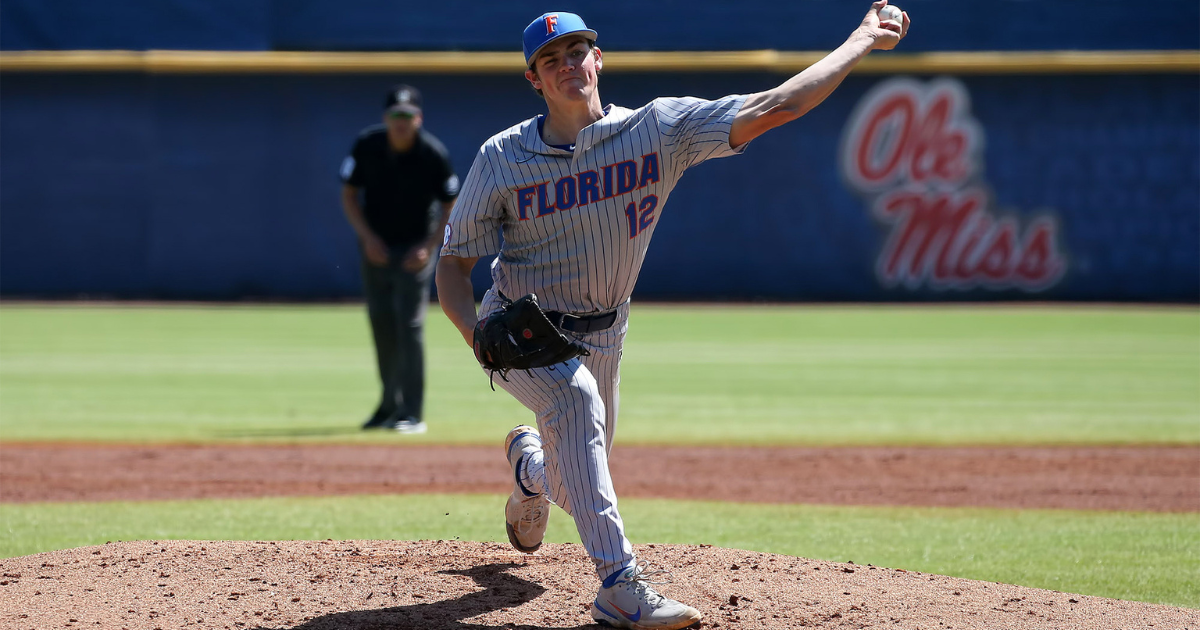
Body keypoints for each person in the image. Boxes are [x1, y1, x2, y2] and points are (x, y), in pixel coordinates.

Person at [436, 5, 909, 628]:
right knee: (574, 404)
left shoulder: (656, 131)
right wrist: (477, 337)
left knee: (580, 478)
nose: (566, 64)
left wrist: (859, 40)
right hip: (521, 331)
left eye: (575, 51)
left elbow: (777, 105)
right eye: (549, 60)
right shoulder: (502, 157)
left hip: (604, 332)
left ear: (597, 59)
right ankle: (619, 585)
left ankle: (530, 466)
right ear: (534, 79)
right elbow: (453, 263)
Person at [340, 84, 459, 434]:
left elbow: (451, 204)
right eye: (396, 115)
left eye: (408, 115)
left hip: (415, 250)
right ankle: (388, 405)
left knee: (409, 326)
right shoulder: (368, 145)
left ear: (418, 118)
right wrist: (367, 238)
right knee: (381, 324)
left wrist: (429, 246)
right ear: (386, 118)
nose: (401, 122)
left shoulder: (432, 153)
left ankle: (412, 412)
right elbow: (348, 193)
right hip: (376, 247)